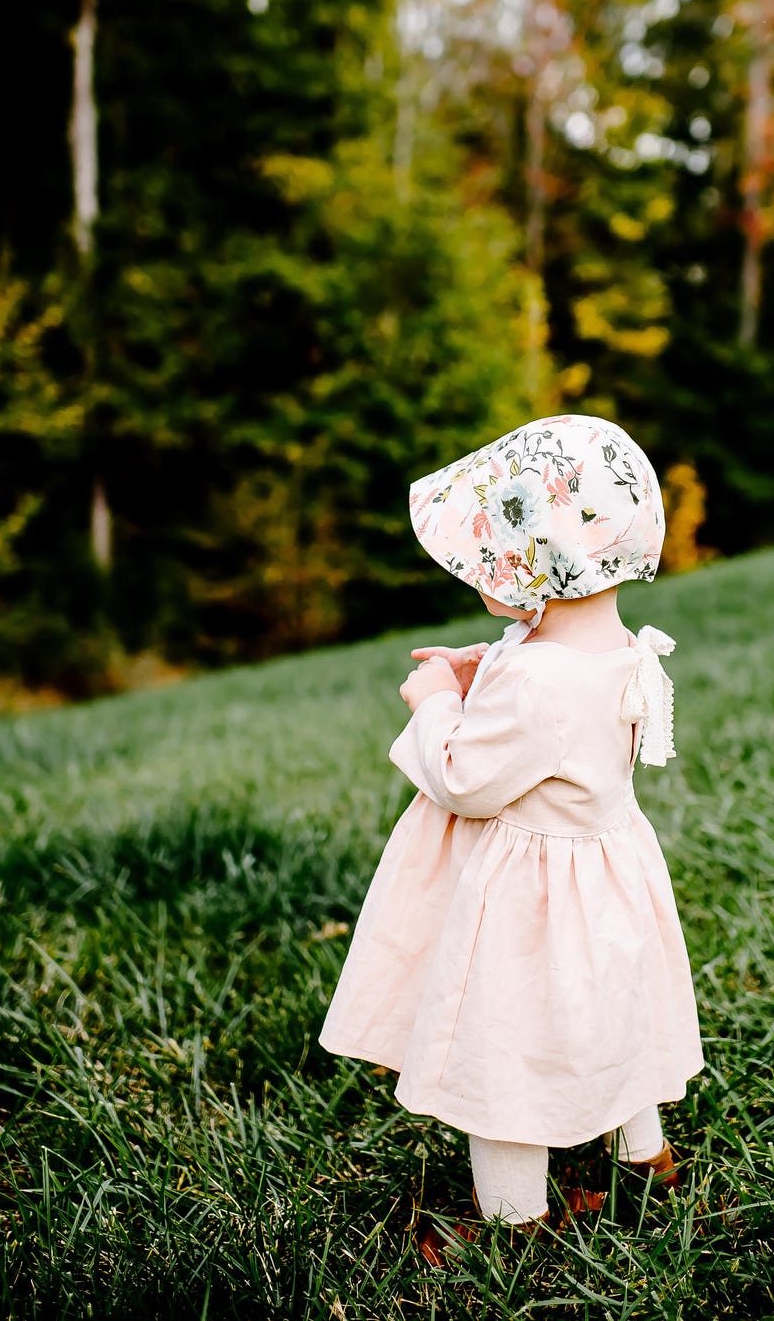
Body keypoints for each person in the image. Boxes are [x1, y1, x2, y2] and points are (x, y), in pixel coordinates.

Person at [318, 414, 704, 1255]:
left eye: (483, 561)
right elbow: (539, 685)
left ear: (533, 565)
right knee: (613, 1021)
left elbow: (465, 778)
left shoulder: (537, 680)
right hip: (603, 881)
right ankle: (648, 1160)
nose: (474, 578)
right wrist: (481, 663)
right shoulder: (613, 649)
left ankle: (511, 1223)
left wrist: (437, 704)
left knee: (507, 1051)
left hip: (533, 908)